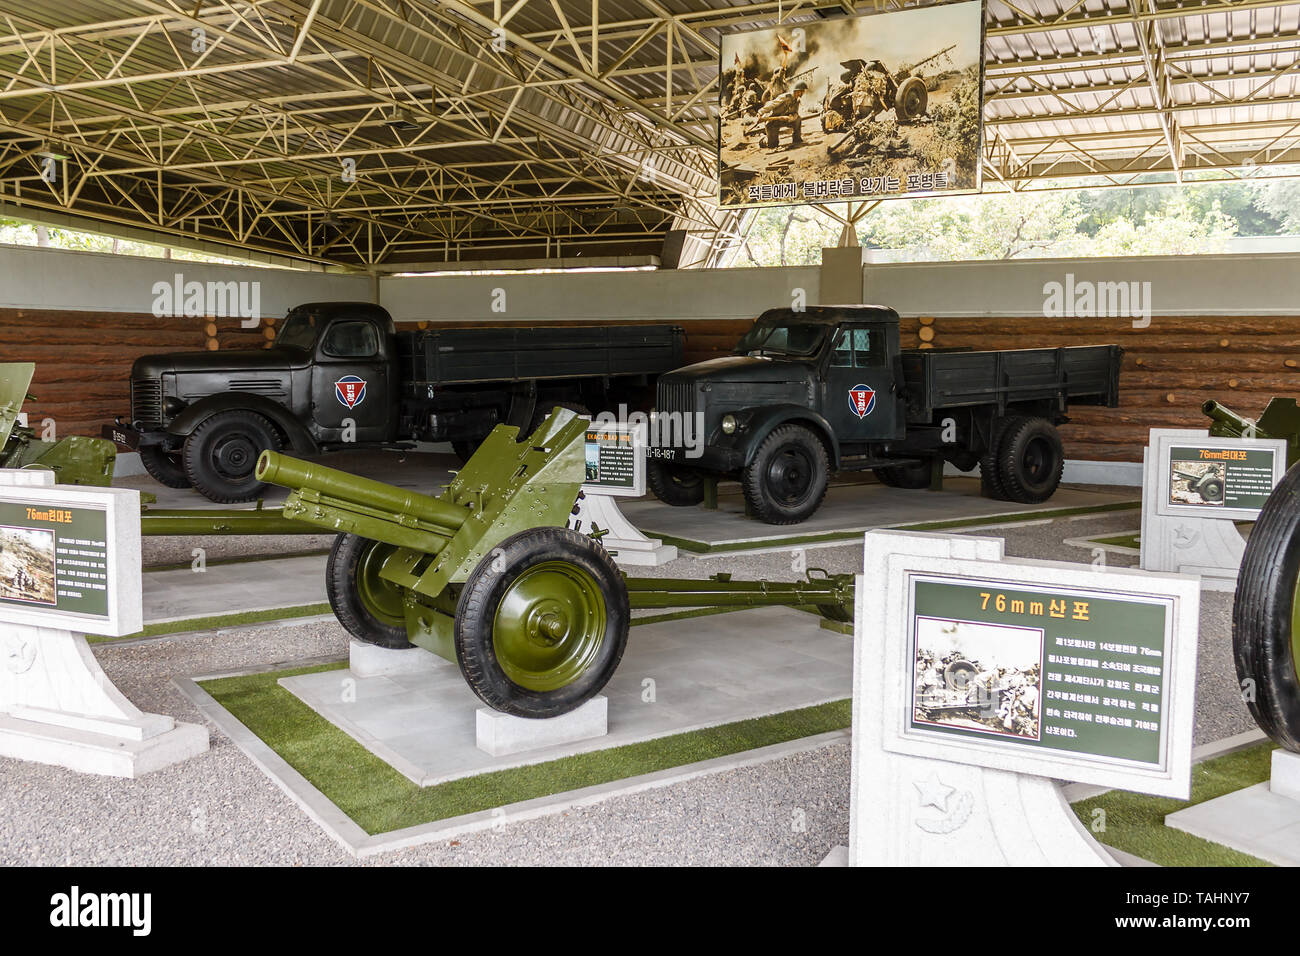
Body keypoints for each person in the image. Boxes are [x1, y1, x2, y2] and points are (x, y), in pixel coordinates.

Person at [751, 80, 808, 148]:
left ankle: (797, 139)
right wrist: (760, 112)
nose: (803, 93)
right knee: (773, 145)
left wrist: (791, 117)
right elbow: (772, 104)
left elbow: (795, 113)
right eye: (802, 91)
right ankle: (763, 140)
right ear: (797, 91)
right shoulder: (785, 97)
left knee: (798, 119)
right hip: (772, 120)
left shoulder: (797, 101)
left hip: (784, 120)